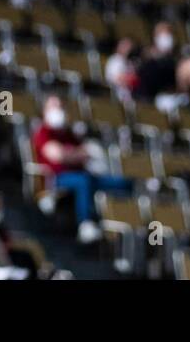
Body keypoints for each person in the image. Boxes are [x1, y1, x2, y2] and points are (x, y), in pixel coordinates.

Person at [31, 94, 132, 243]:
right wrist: (76, 154)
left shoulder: (68, 133)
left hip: (84, 175)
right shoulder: (43, 132)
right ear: (45, 110)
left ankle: (121, 227)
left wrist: (71, 154)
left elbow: (86, 152)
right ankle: (85, 224)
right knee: (83, 181)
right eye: (54, 106)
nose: (58, 110)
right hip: (57, 178)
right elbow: (57, 156)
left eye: (60, 106)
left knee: (124, 183)